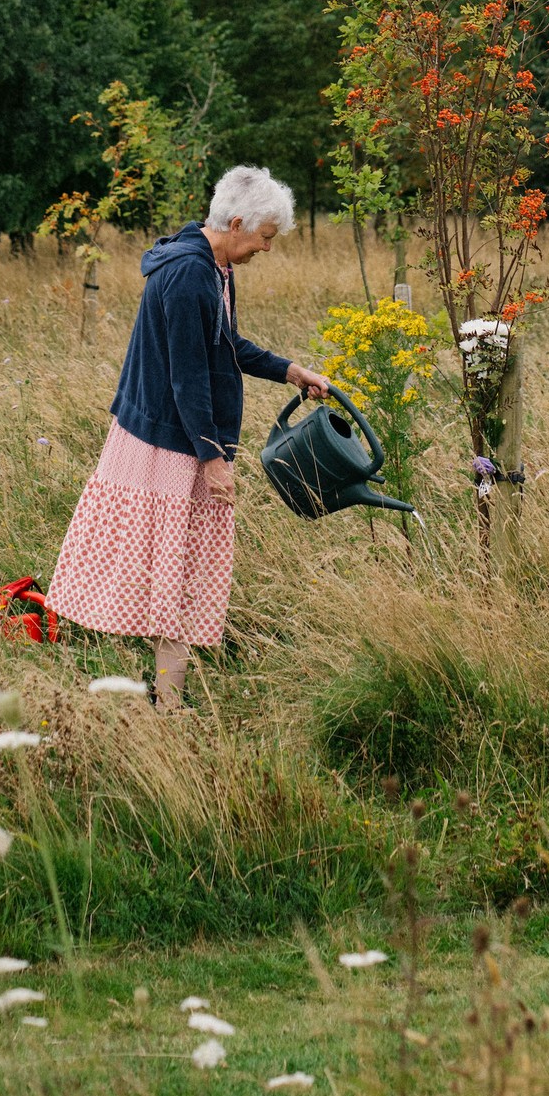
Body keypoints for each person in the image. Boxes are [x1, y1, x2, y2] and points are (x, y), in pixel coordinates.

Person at [46, 165, 330, 708]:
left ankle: (167, 700)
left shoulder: (213, 267)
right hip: (166, 444)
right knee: (167, 572)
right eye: (266, 238)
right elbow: (188, 375)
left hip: (180, 440)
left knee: (175, 572)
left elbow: (224, 344)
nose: (267, 250)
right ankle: (166, 706)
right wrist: (213, 457)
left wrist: (292, 370)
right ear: (239, 221)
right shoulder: (188, 274)